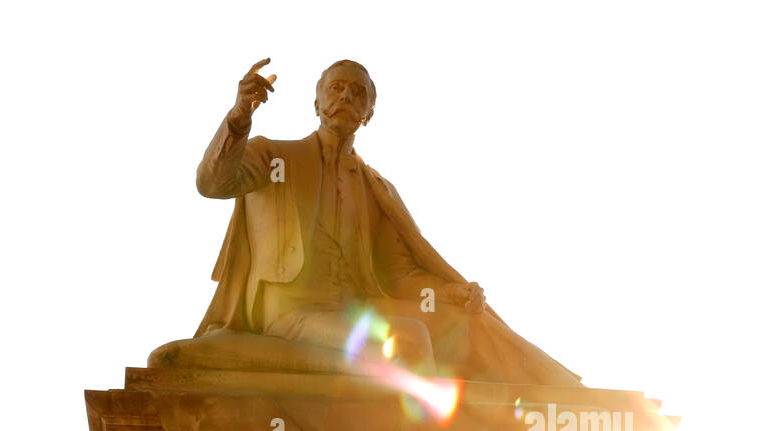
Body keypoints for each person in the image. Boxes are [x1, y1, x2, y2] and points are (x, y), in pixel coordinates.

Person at [191, 58, 580, 385]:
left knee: (462, 322)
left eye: (357, 92)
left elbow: (399, 276)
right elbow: (213, 182)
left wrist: (447, 294)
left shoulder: (377, 190)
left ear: (369, 113)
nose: (346, 95)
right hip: (291, 313)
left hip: (357, 309)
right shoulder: (274, 156)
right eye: (337, 87)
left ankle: (557, 394)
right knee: (407, 339)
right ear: (316, 102)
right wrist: (240, 117)